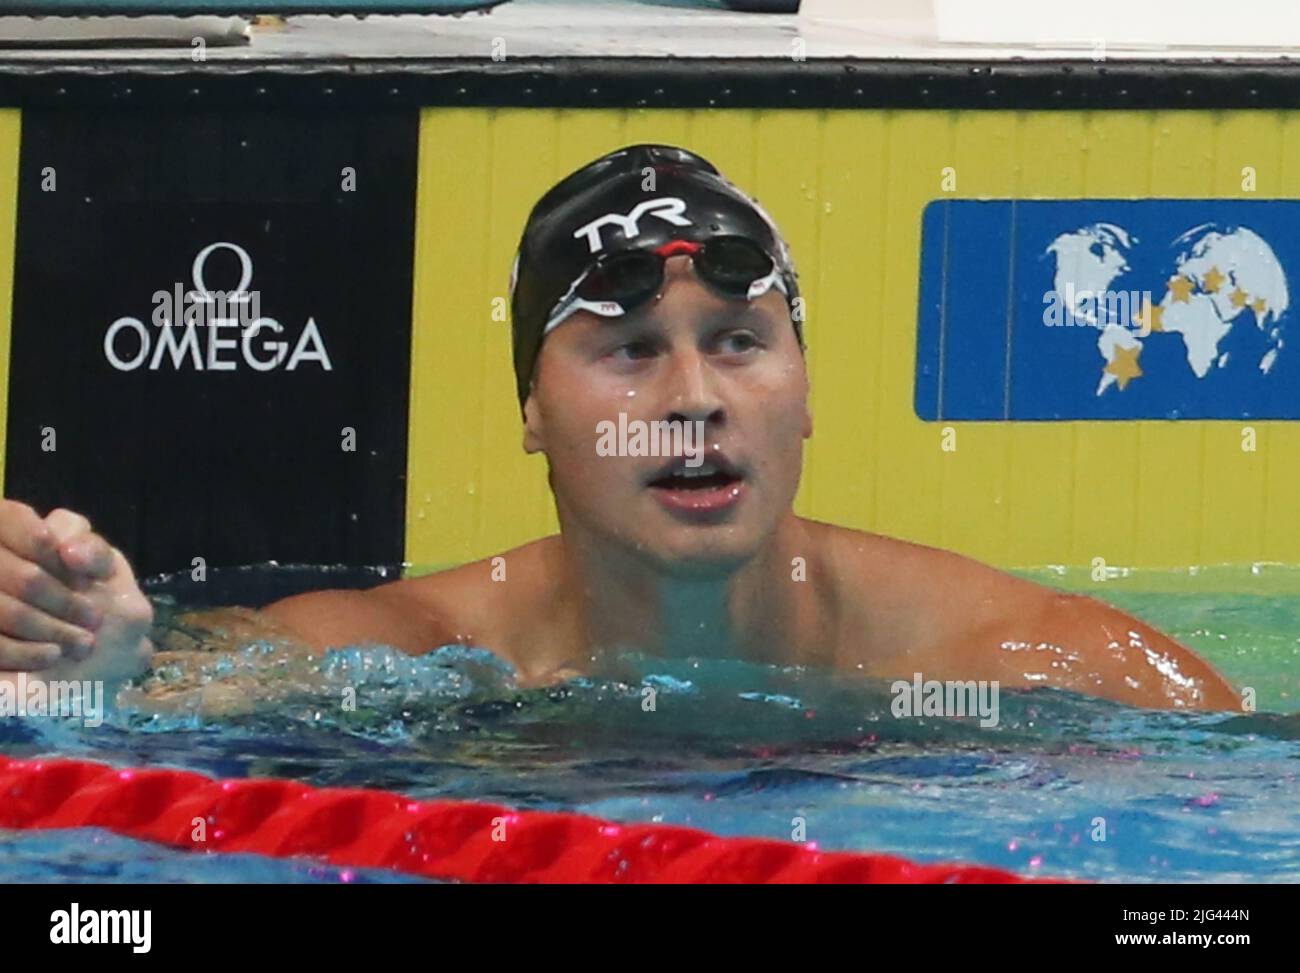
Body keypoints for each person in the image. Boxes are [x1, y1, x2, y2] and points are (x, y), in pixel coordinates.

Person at [0, 144, 1240, 711]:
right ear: (534, 411)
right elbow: (176, 691)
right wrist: (94, 672)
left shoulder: (1037, 666)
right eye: (630, 350)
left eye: (740, 342)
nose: (693, 399)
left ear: (804, 390)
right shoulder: (408, 649)